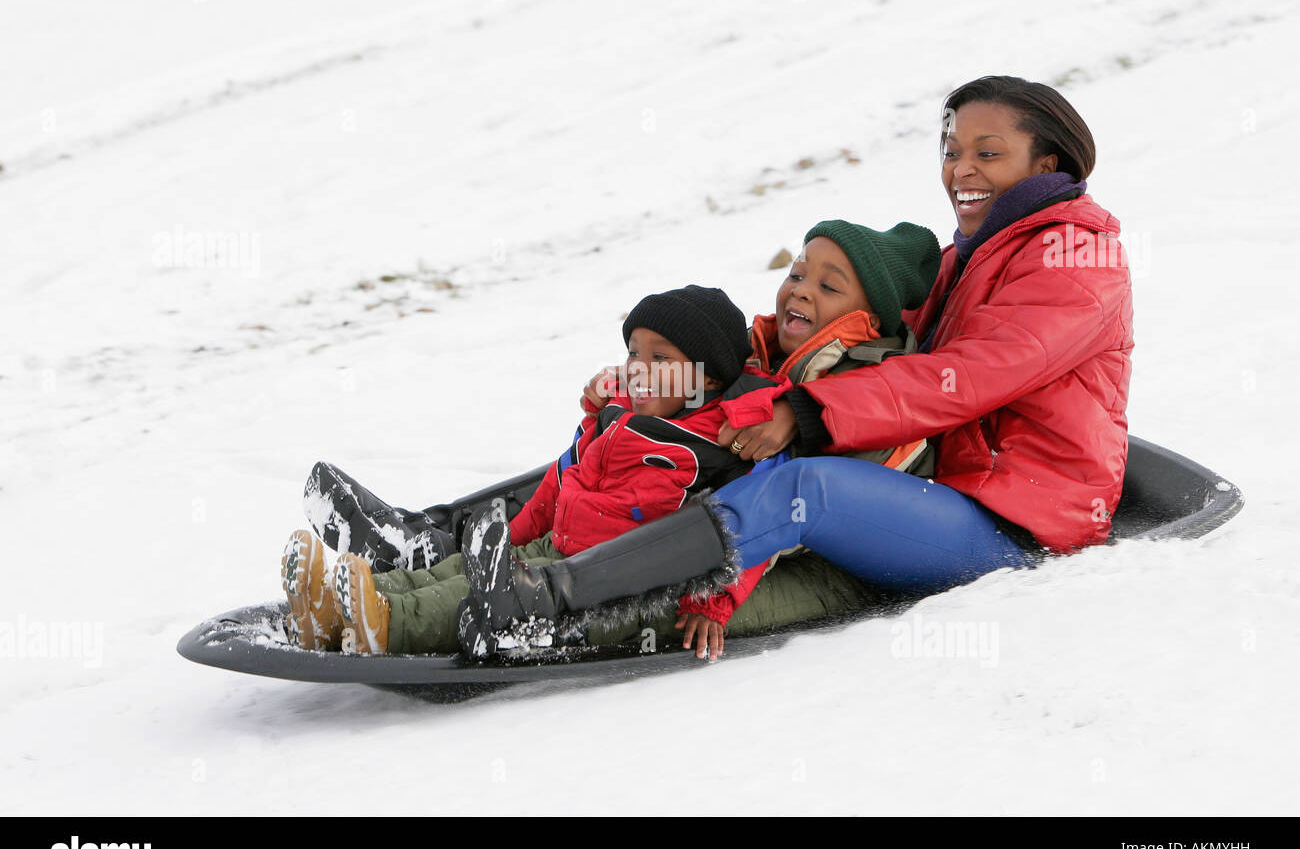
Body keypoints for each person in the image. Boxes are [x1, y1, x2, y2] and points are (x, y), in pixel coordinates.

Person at [452, 74, 1134, 658]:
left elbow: (969, 377)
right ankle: (442, 539)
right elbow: (858, 341)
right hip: (942, 488)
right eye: (953, 151)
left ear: (1046, 164)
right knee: (663, 424)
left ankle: (546, 601)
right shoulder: (972, 256)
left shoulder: (1075, 261)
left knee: (801, 487)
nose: (962, 170)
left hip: (1018, 525)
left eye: (989, 153)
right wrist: (704, 371)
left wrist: (806, 414)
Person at [458, 219, 941, 656]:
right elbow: (685, 408)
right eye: (795, 275)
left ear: (869, 320)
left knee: (661, 605)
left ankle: (530, 616)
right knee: (602, 461)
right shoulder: (772, 355)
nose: (801, 291)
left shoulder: (875, 395)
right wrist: (622, 394)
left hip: (817, 566)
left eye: (828, 286)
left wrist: (714, 596)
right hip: (709, 540)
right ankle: (438, 539)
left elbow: (778, 506)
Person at [283, 285, 781, 655]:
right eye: (633, 353)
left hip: (608, 577)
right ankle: (339, 603)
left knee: (469, 594)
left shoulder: (722, 443)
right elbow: (566, 482)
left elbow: (750, 529)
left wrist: (713, 603)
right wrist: (516, 534)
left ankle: (385, 623)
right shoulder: (626, 418)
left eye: (660, 358)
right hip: (559, 544)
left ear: (708, 376)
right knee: (456, 570)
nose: (637, 368)